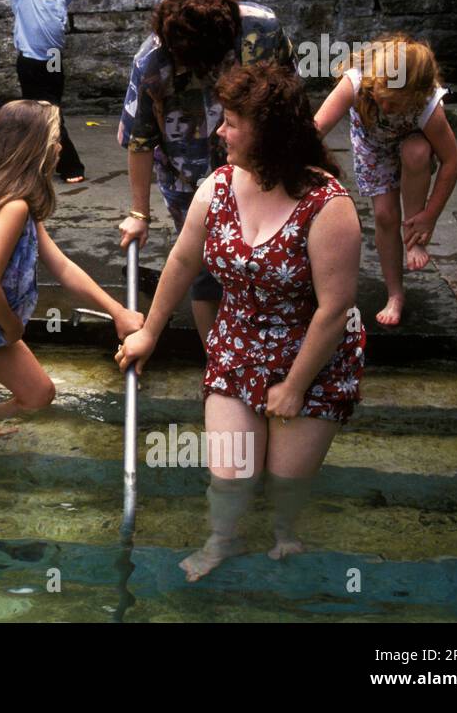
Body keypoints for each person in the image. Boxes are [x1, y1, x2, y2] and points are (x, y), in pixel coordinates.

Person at [118, 63, 364, 583]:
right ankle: (221, 541)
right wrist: (149, 331)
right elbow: (184, 263)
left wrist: (295, 387)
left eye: (231, 122)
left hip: (312, 356)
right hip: (237, 347)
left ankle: (284, 532)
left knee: (284, 480)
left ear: (269, 134)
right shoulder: (220, 185)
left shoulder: (328, 206)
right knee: (231, 475)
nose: (217, 131)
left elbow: (334, 309)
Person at [0, 100, 143, 537]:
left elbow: (63, 268)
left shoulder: (18, 202)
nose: (61, 146)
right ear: (37, 149)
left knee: (39, 394)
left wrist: (117, 313)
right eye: (56, 138)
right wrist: (12, 327)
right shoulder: (12, 206)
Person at [118, 0, 295, 346]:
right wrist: (139, 214)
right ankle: (218, 363)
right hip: (188, 171)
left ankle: (264, 345)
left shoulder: (261, 30)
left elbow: (290, 99)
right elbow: (139, 141)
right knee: (205, 265)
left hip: (262, 161)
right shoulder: (153, 62)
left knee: (265, 252)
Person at [314, 35, 457, 326]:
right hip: (373, 147)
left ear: (416, 98)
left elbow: (452, 162)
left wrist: (430, 216)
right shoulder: (357, 82)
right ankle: (395, 294)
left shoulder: (428, 105)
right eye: (381, 97)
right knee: (384, 215)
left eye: (395, 104)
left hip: (410, 141)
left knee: (416, 151)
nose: (385, 106)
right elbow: (315, 129)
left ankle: (414, 233)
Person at [0, 0, 95, 183]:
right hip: (31, 62)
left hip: (54, 61)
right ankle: (70, 166)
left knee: (49, 114)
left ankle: (36, 162)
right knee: (46, 116)